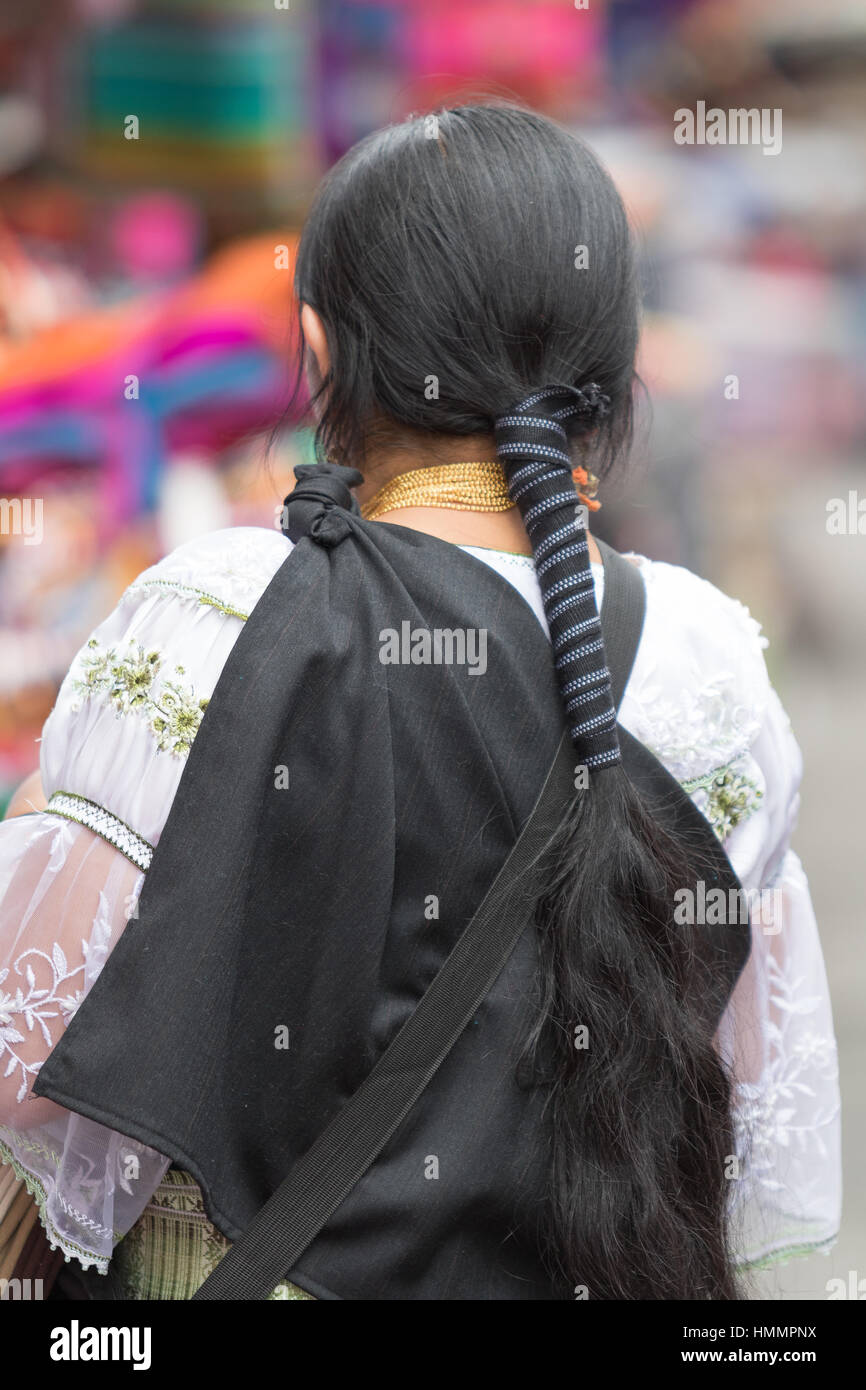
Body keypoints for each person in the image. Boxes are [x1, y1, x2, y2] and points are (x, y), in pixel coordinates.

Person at [0, 102, 840, 1301]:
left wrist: (40, 822)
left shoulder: (218, 617)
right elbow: (742, 1127)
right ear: (608, 376)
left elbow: (37, 1079)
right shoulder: (710, 667)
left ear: (322, 352)